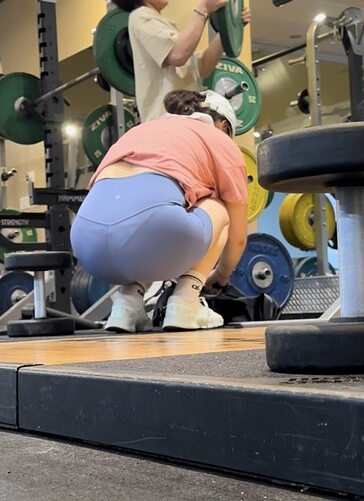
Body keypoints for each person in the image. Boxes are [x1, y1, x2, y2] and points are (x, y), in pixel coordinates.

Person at [70, 89, 249, 333]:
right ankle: (186, 302)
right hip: (154, 230)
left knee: (145, 216)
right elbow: (237, 238)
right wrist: (221, 275)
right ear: (224, 127)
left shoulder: (140, 130)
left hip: (86, 245)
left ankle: (127, 304)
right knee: (217, 208)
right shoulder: (220, 141)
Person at [109, 0, 251, 121]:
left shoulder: (164, 26)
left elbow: (203, 66)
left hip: (187, 123)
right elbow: (178, 54)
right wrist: (204, 7)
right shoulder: (140, 17)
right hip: (165, 127)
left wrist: (230, 27)